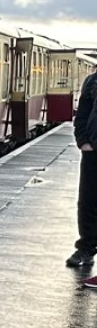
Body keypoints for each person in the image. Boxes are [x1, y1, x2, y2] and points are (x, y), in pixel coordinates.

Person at [68, 66, 97, 270]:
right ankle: (86, 247)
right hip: (93, 150)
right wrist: (83, 142)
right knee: (87, 201)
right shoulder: (92, 81)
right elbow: (82, 115)